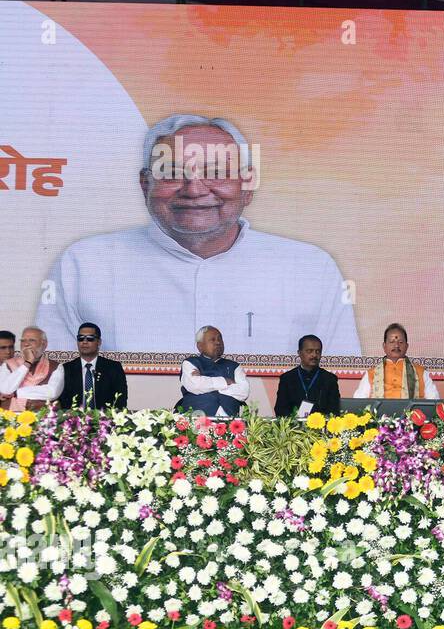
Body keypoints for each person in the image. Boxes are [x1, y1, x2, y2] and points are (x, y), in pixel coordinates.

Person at [35, 114, 361, 355]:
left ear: (247, 184)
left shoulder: (310, 268)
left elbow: (344, 391)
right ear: (145, 184)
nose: (194, 189)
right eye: (172, 173)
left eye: (216, 172)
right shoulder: (85, 264)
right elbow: (53, 389)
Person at [177, 326, 249, 417]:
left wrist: (206, 384)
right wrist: (225, 382)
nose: (218, 342)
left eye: (220, 339)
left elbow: (243, 391)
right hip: (197, 421)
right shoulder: (190, 363)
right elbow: (195, 385)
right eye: (212, 340)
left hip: (230, 422)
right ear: (200, 346)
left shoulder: (234, 366)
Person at [355, 323, 441, 399]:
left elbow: (433, 400)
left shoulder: (421, 372)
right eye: (392, 341)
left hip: (411, 416)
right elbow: (359, 401)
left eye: (400, 342)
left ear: (407, 346)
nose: (396, 345)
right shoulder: (371, 373)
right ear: (384, 346)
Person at [57, 322, 128, 410]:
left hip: (105, 420)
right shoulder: (66, 369)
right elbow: (60, 402)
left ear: (99, 342)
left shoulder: (113, 368)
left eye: (90, 338)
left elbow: (121, 401)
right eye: (80, 338)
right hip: (73, 420)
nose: (84, 342)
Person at [274, 334, 341, 418]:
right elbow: (280, 410)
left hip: (321, 427)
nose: (314, 355)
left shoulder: (330, 379)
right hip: (294, 428)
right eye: (309, 351)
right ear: (299, 353)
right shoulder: (287, 378)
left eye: (318, 351)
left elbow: (334, 411)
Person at [0, 326, 64, 411]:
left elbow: (52, 392)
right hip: (11, 417)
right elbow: (6, 390)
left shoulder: (56, 366)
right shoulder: (8, 364)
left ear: (44, 344)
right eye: (23, 341)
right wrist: (28, 363)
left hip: (43, 418)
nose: (26, 344)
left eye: (31, 340)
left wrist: (16, 393)